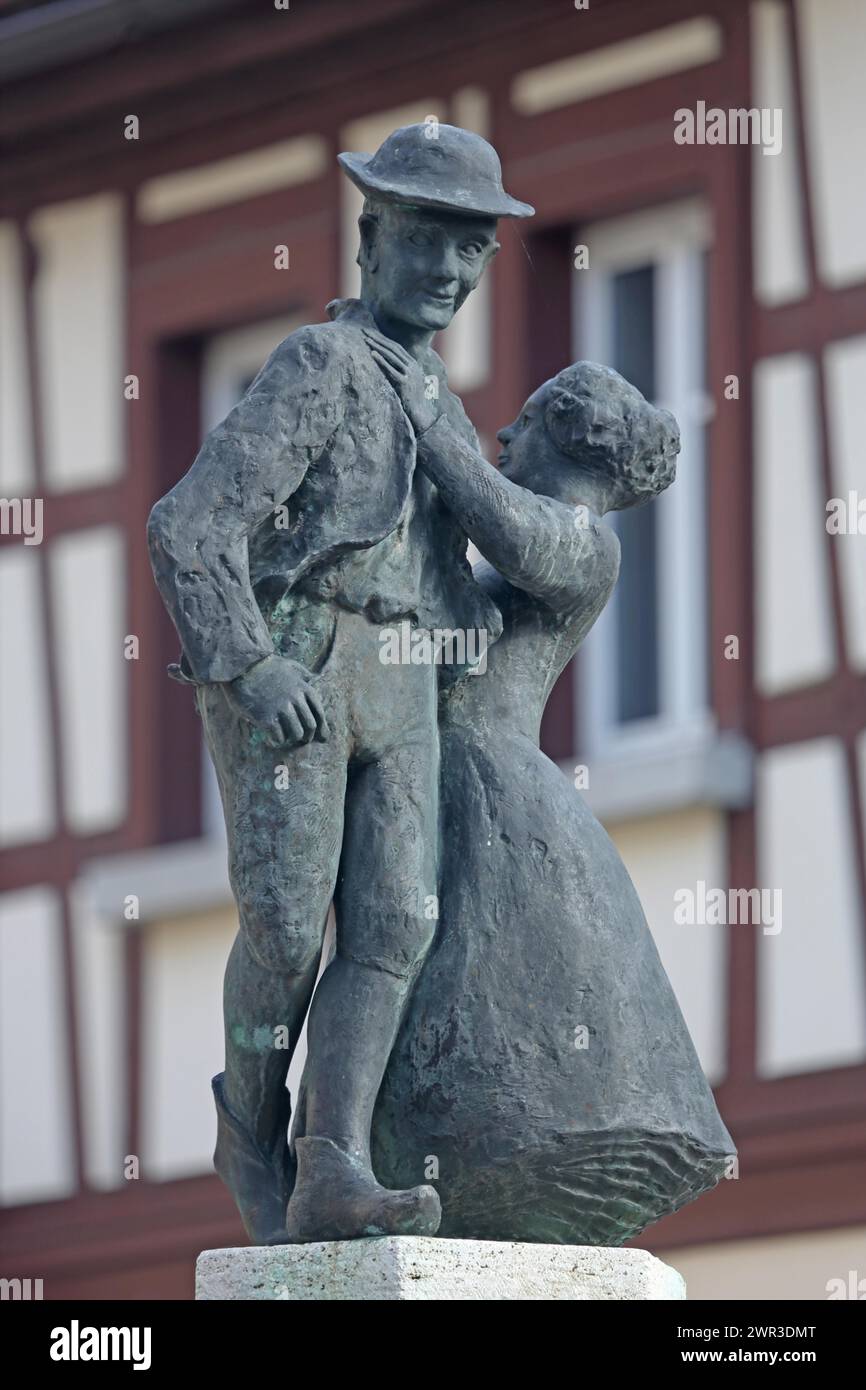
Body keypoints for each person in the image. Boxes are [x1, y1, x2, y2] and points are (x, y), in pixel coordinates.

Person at [146, 125, 534, 1243]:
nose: (449, 273)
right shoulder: (320, 366)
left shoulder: (431, 390)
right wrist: (246, 661)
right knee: (282, 931)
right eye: (427, 244)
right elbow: (189, 523)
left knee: (394, 925)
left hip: (400, 682)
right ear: (372, 238)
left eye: (471, 252)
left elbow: (448, 562)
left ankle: (333, 1164)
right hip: (302, 666)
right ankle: (247, 1129)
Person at [365, 334, 737, 1245]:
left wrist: (427, 413)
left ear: (569, 438)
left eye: (523, 421)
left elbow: (502, 519)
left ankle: (500, 1152)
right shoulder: (540, 540)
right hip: (446, 774)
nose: (502, 432)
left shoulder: (584, 547)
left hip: (494, 785)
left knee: (486, 985)